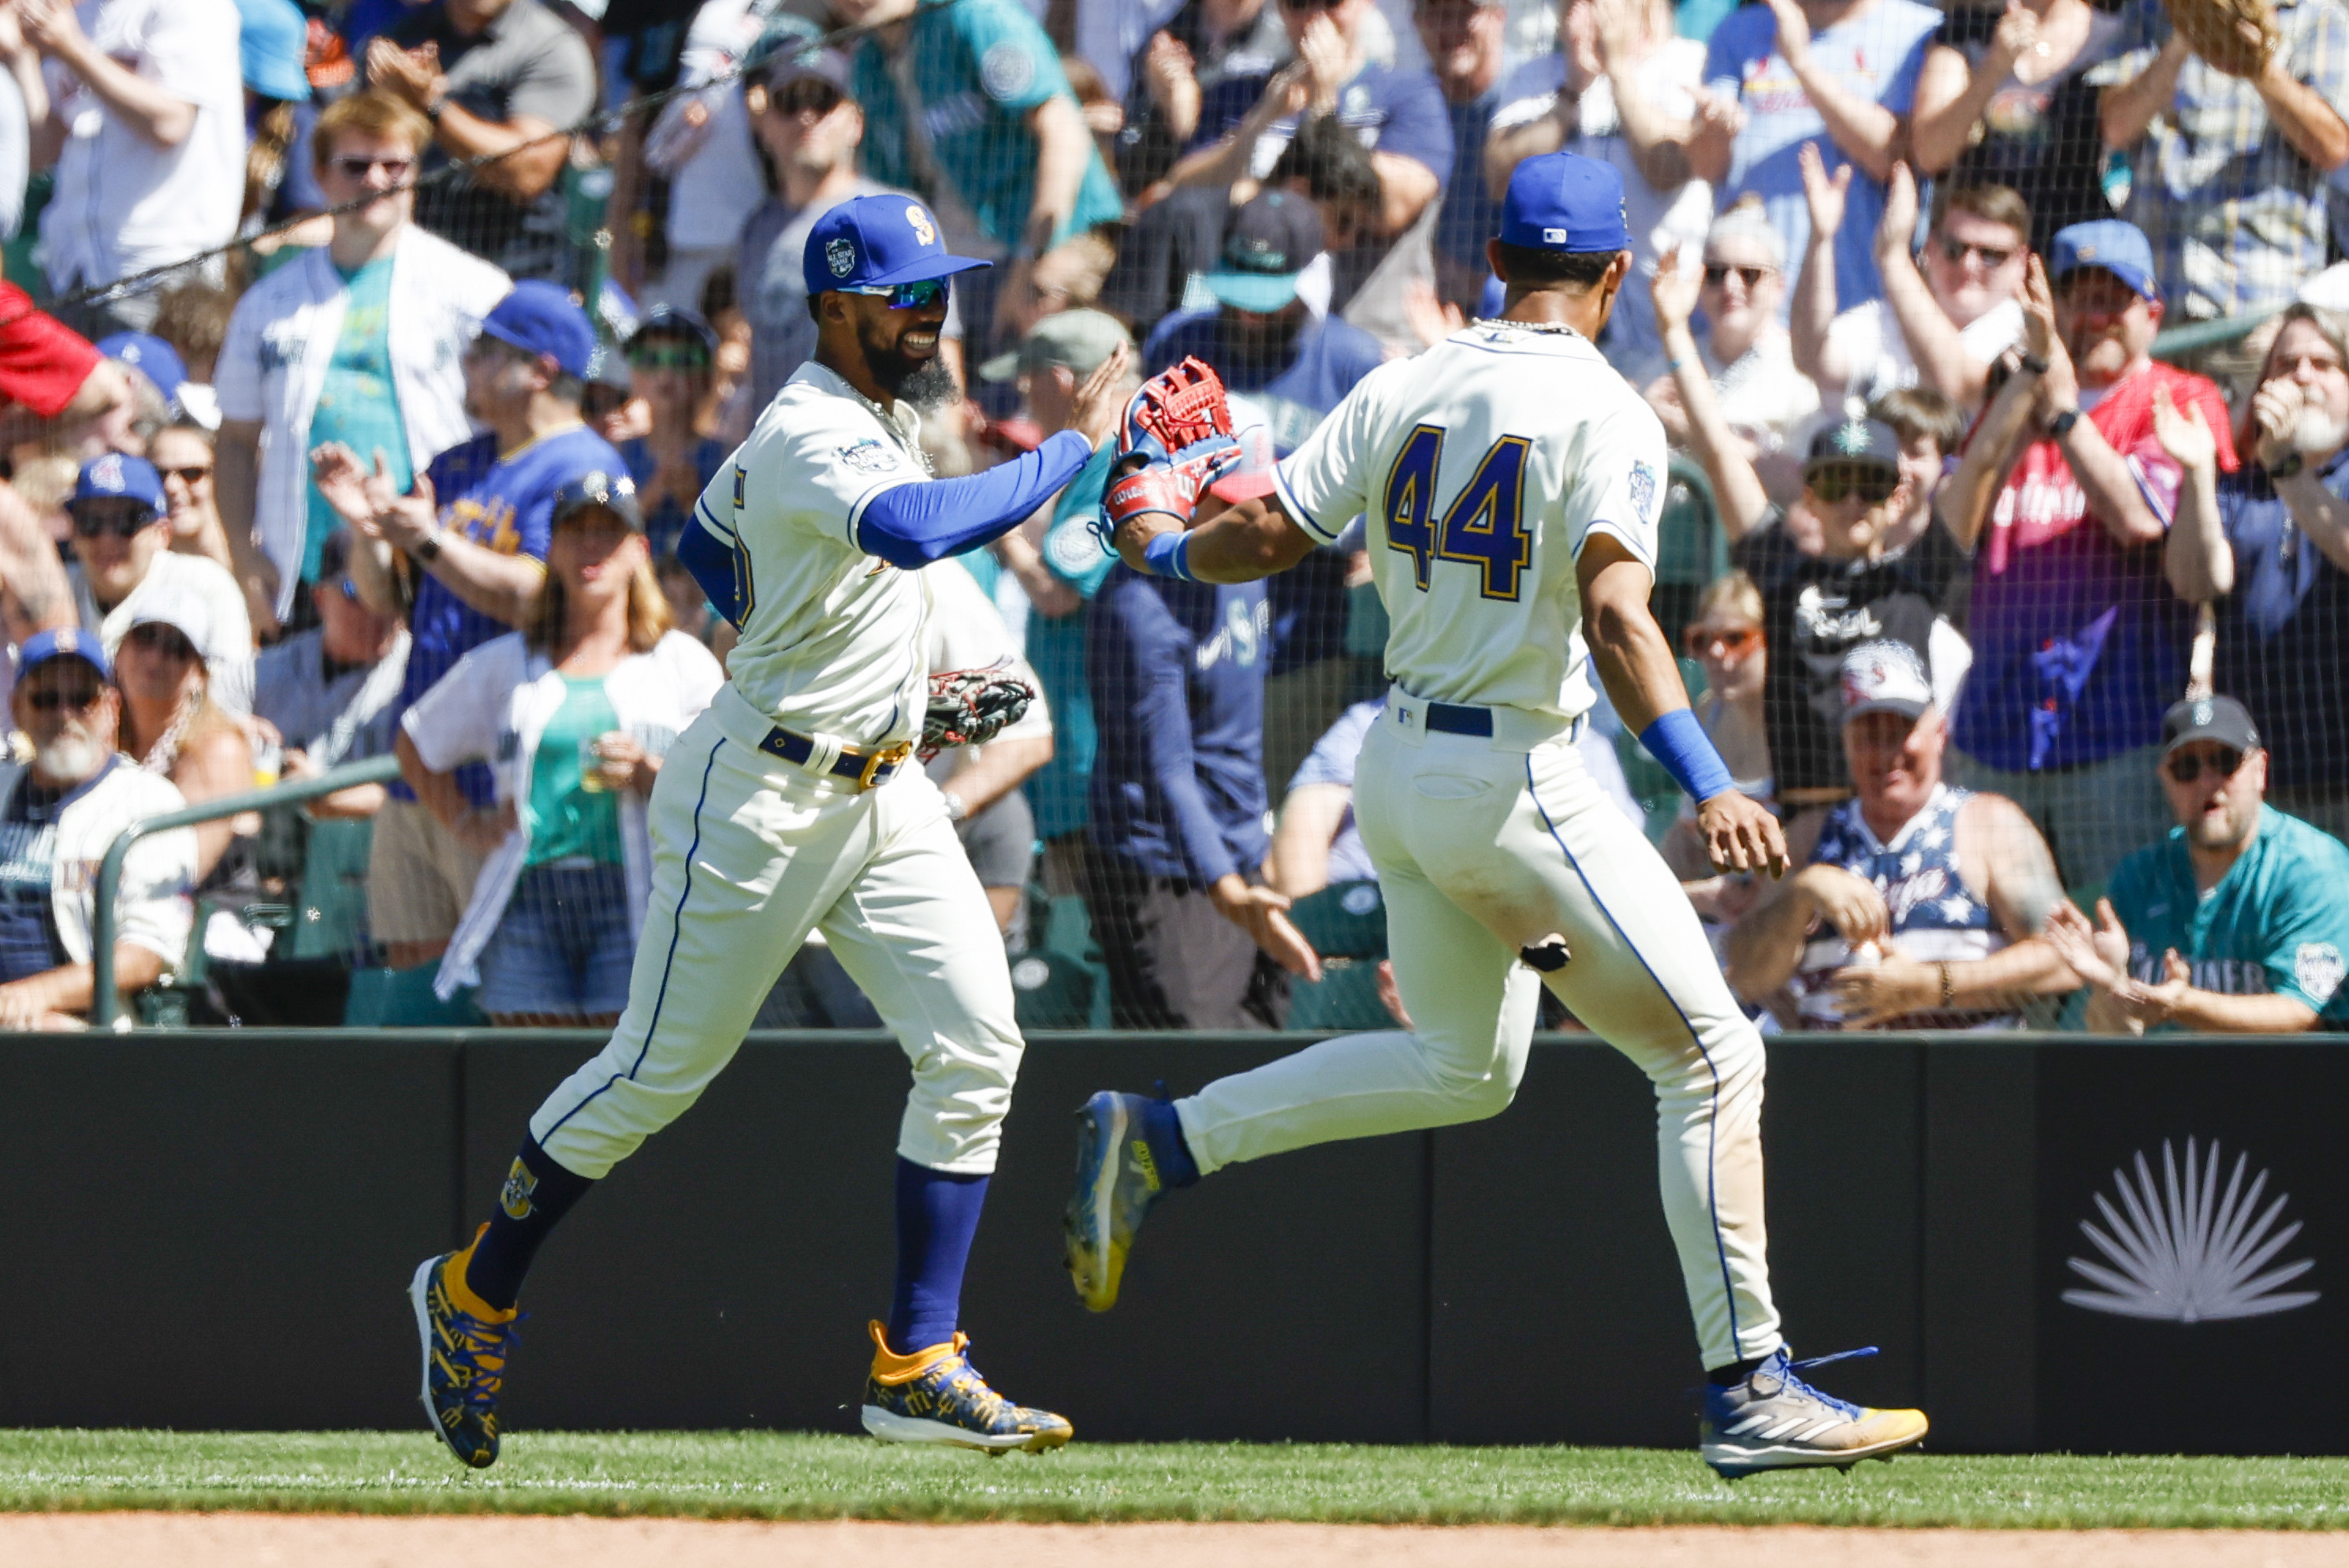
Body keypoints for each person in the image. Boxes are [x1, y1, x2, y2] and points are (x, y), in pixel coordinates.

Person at [1067, 151, 1928, 1477]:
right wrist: (1708, 777)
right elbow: (1617, 614)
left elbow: (1266, 536)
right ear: (1616, 275)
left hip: (1401, 767)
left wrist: (1161, 544)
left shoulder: (1405, 378)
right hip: (1519, 769)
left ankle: (1171, 1136)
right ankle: (1750, 1382)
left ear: (1494, 262)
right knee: (1711, 1059)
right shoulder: (1610, 410)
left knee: (1464, 1067)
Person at [406, 195, 1138, 1471]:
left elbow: (707, 540)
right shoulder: (810, 422)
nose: (933, 311)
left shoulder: (878, 420)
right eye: (909, 293)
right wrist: (1072, 449)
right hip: (754, 796)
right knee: (653, 1076)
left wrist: (861, 673)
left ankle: (916, 1358)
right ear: (840, 307)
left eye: (939, 289)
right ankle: (472, 1287)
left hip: (884, 785)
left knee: (978, 1042)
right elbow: (916, 528)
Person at [311, 280, 624, 972]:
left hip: (508, 772)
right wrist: (368, 530)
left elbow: (547, 596)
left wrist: (426, 541)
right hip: (422, 766)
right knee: (413, 974)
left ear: (541, 369)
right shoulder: (458, 463)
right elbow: (391, 600)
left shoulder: (585, 467)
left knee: (509, 980)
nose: (467, 363)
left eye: (486, 350)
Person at [1936, 220, 2235, 890]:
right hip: (1996, 734)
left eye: (2115, 298)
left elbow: (2135, 517)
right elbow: (1953, 523)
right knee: (2000, 951)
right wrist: (2032, 382)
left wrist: (2066, 413)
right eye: (2079, 297)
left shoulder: (2183, 398)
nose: (2095, 316)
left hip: (2118, 739)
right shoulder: (2012, 400)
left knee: (2123, 942)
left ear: (2152, 315)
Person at [397, 473, 723, 1023]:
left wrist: (650, 771)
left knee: (624, 1069)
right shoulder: (507, 661)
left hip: (638, 892)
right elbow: (415, 741)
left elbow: (726, 777)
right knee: (525, 1068)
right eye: (576, 532)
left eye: (607, 533)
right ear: (553, 548)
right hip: (529, 894)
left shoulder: (681, 663)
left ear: (638, 551)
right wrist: (465, 823)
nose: (590, 547)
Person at [1657, 253, 1967, 805]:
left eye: (1869, 484)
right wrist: (1675, 330)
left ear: (1897, 498)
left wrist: (2038, 371)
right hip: (1801, 815)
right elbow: (1719, 450)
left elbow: (1987, 459)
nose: (1852, 500)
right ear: (1809, 497)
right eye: (1834, 485)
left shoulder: (1918, 577)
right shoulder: (1780, 568)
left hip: (1891, 816)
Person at [216, 89, 511, 638]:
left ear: (417, 173)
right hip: (299, 577)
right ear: (320, 173)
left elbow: (514, 429)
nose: (375, 181)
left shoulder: (476, 291)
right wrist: (241, 551)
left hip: (436, 569)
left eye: (394, 165)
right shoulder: (267, 303)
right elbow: (234, 439)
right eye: (355, 166)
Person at [1143, 191, 1389, 791]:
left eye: (1267, 299)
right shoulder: (1181, 342)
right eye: (1237, 294)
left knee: (1275, 811)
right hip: (1188, 629)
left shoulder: (1354, 364)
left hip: (1300, 648)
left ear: (1307, 278)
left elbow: (1381, 505)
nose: (1248, 315)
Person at [1725, 640, 2073, 1029]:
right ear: (1846, 743)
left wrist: (1932, 985)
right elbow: (1744, 977)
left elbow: (2066, 958)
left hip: (1966, 1077)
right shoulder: (1809, 836)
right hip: (1833, 1078)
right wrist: (1802, 894)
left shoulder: (1988, 823)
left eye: (1900, 731)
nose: (1885, 753)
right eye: (1868, 735)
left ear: (1939, 732)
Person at [1082, 445, 1294, 1030]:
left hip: (1242, 857)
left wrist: (1257, 852)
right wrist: (1226, 884)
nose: (1252, 515)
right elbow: (1166, 769)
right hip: (1165, 871)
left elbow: (1238, 735)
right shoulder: (1136, 605)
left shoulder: (1248, 566)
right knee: (1191, 1067)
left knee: (1262, 1055)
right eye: (1228, 502)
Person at [2046, 695, 2349, 1033]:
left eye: (2224, 761)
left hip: (2277, 1083)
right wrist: (2111, 987)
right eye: (2186, 768)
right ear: (2165, 779)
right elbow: (2115, 1035)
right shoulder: (2138, 877)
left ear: (2260, 770)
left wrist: (2183, 1004)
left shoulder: (2312, 869)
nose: (2207, 783)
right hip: (2163, 1082)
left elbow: (2303, 1011)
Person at [2162, 304, 2349, 845]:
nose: (2303, 376)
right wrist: (2199, 476)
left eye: (2324, 363)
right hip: (2254, 780)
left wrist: (2286, 466)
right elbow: (2196, 582)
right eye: (2287, 364)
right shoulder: (2240, 486)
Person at [838, 0, 1126, 346]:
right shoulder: (866, 66)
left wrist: (1030, 264)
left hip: (1061, 244)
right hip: (964, 270)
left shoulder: (975, 17)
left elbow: (1064, 130)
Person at [981, 312, 1143, 913]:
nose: (1023, 396)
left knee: (1098, 934)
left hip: (1094, 750)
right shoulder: (1112, 455)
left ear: (1063, 380)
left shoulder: (1113, 461)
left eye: (1028, 381)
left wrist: (1006, 536)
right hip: (1094, 749)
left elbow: (1058, 592)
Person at [736, 26, 969, 414]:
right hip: (782, 455)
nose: (806, 116)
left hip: (870, 451)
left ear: (856, 122)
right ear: (765, 126)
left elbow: (938, 347)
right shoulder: (757, 229)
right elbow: (754, 364)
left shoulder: (895, 214)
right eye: (789, 102)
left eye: (824, 100)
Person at [1483, 0, 1714, 384]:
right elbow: (1501, 180)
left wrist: (1618, 70)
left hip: (1661, 320)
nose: (1580, 15)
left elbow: (1668, 169)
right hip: (1560, 321)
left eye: (1594, 3)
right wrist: (1571, 92)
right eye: (1571, 4)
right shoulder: (1537, 76)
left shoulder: (1688, 63)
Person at [2097, 0, 2349, 322]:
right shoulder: (2150, 12)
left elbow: (2333, 147)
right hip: (2154, 301)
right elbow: (2115, 128)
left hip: (2259, 306)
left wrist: (2259, 69)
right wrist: (2185, 36)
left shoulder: (2318, 18)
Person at [1694, 0, 1945, 319]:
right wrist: (1715, 131)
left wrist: (1800, 62)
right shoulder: (1739, 29)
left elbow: (1894, 159)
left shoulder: (1921, 29)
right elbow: (1705, 167)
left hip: (1858, 313)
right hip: (1745, 309)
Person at [0, 630, 193, 1029]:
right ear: (17, 709)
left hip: (87, 1030)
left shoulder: (149, 802)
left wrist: (31, 997)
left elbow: (144, 953)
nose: (64, 715)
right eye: (46, 699)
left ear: (111, 708)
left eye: (82, 700)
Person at [21, 0, 245, 336]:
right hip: (70, 268)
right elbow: (41, 152)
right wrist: (21, 53)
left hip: (158, 270)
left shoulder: (195, 7)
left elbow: (170, 123)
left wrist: (73, 50)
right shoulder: (83, 13)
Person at [1168, 0, 1454, 244]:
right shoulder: (1240, 92)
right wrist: (1258, 122)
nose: (1315, 18)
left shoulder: (1411, 93)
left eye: (1332, 2)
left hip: (1356, 299)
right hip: (1247, 280)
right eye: (1299, 2)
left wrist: (1324, 104)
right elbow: (1180, 185)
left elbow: (1393, 207)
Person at [254, 530, 409, 963]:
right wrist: (229, 728)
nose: (379, 609)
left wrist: (324, 793)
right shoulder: (269, 672)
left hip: (381, 895)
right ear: (321, 599)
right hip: (281, 888)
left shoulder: (418, 674)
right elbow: (201, 712)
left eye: (391, 593)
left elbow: (429, 791)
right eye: (358, 592)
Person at [366, 0, 597, 283]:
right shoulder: (403, 36)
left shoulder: (551, 46)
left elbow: (529, 172)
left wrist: (431, 107)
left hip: (511, 277)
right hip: (411, 270)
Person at [1794, 155, 2028, 411]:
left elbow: (1960, 386)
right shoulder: (1885, 318)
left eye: (1991, 255)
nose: (1968, 265)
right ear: (1930, 248)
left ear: (2020, 262)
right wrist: (1821, 238)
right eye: (1955, 248)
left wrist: (1893, 257)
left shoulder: (2025, 330)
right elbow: (1812, 358)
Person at [1909, 0, 2129, 251]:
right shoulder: (1964, 30)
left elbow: (2121, 129)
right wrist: (1994, 67)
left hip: (2079, 250)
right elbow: (1930, 154)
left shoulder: (2111, 25)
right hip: (1985, 244)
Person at [1642, 200, 1818, 495]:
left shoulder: (1802, 372)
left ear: (1779, 287)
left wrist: (1696, 432)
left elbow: (1806, 484)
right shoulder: (1666, 363)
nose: (1731, 285)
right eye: (1716, 272)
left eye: (1749, 274)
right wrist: (1644, 414)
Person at [64, 453, 256, 715]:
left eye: (126, 522)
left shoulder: (205, 585)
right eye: (91, 523)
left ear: (162, 533)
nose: (107, 539)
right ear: (73, 535)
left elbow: (230, 701)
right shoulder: (55, 589)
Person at [924, 561, 1053, 937]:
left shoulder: (936, 583)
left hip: (939, 840)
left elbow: (1028, 737)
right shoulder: (766, 572)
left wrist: (927, 815)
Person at [110, 590, 256, 888]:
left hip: (212, 916)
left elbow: (179, 876)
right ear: (120, 653)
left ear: (199, 675)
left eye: (177, 648)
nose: (155, 656)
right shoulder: (107, 733)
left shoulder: (217, 750)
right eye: (145, 637)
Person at [1660, 572, 1773, 933]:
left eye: (1736, 638)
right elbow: (1683, 843)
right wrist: (1691, 895)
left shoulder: (1801, 724)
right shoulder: (1706, 715)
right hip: (1721, 923)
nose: (1716, 654)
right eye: (1702, 641)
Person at [1118, 0, 1292, 197]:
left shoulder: (1288, 32)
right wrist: (1166, 109)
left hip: (1255, 200)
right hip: (1181, 204)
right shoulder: (1167, 40)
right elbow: (1132, 167)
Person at [615, 307, 729, 559]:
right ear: (634, 376)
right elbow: (600, 548)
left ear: (708, 379)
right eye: (650, 360)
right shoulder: (615, 456)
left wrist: (693, 503)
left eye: (683, 361)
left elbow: (743, 553)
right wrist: (650, 498)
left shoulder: (730, 459)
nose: (665, 376)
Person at [1418, 0, 1510, 311]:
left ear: (1499, 17)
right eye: (1439, 14)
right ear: (1418, 22)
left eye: (1464, 15)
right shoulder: (1410, 103)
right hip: (1424, 306)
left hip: (1511, 307)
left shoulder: (1530, 96)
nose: (1451, 28)